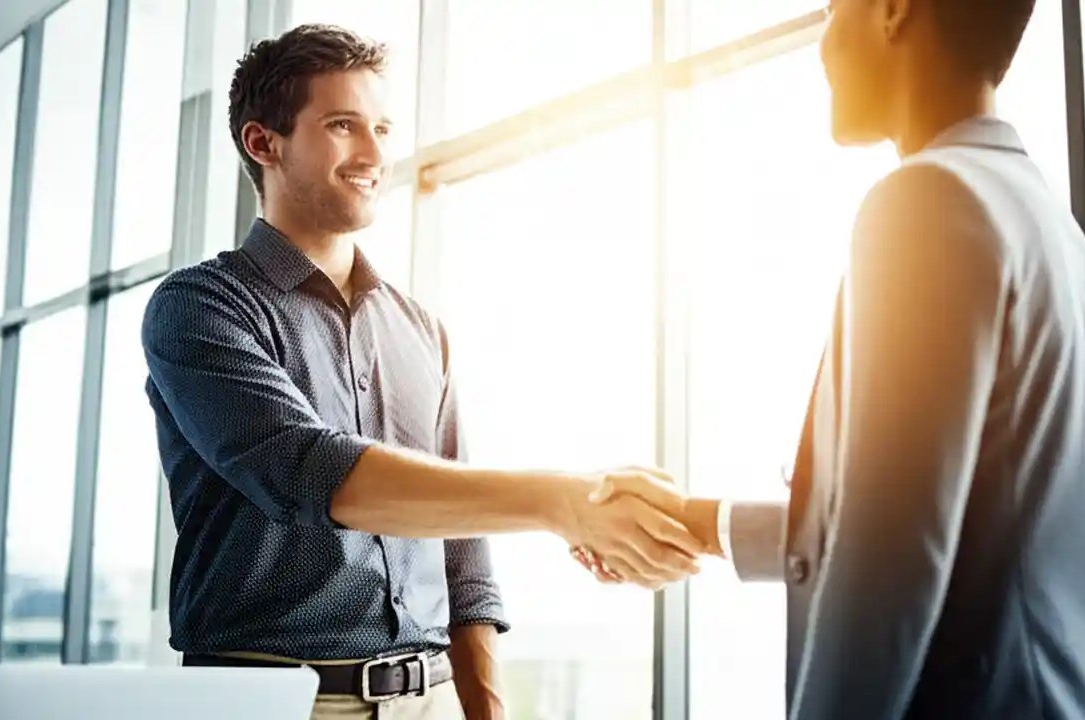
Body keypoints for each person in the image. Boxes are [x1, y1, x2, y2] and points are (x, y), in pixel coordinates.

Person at [582, 0, 1085, 717]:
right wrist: (694, 520)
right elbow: (947, 522)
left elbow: (890, 567)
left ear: (894, 10)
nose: (822, 40)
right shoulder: (1050, 226)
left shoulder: (928, 201)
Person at [141, 24, 702, 720]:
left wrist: (484, 709)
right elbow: (310, 471)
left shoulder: (420, 331)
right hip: (275, 703)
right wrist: (561, 501)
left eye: (382, 127)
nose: (376, 153)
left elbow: (462, 556)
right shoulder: (200, 307)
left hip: (428, 699)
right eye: (343, 125)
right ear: (264, 144)